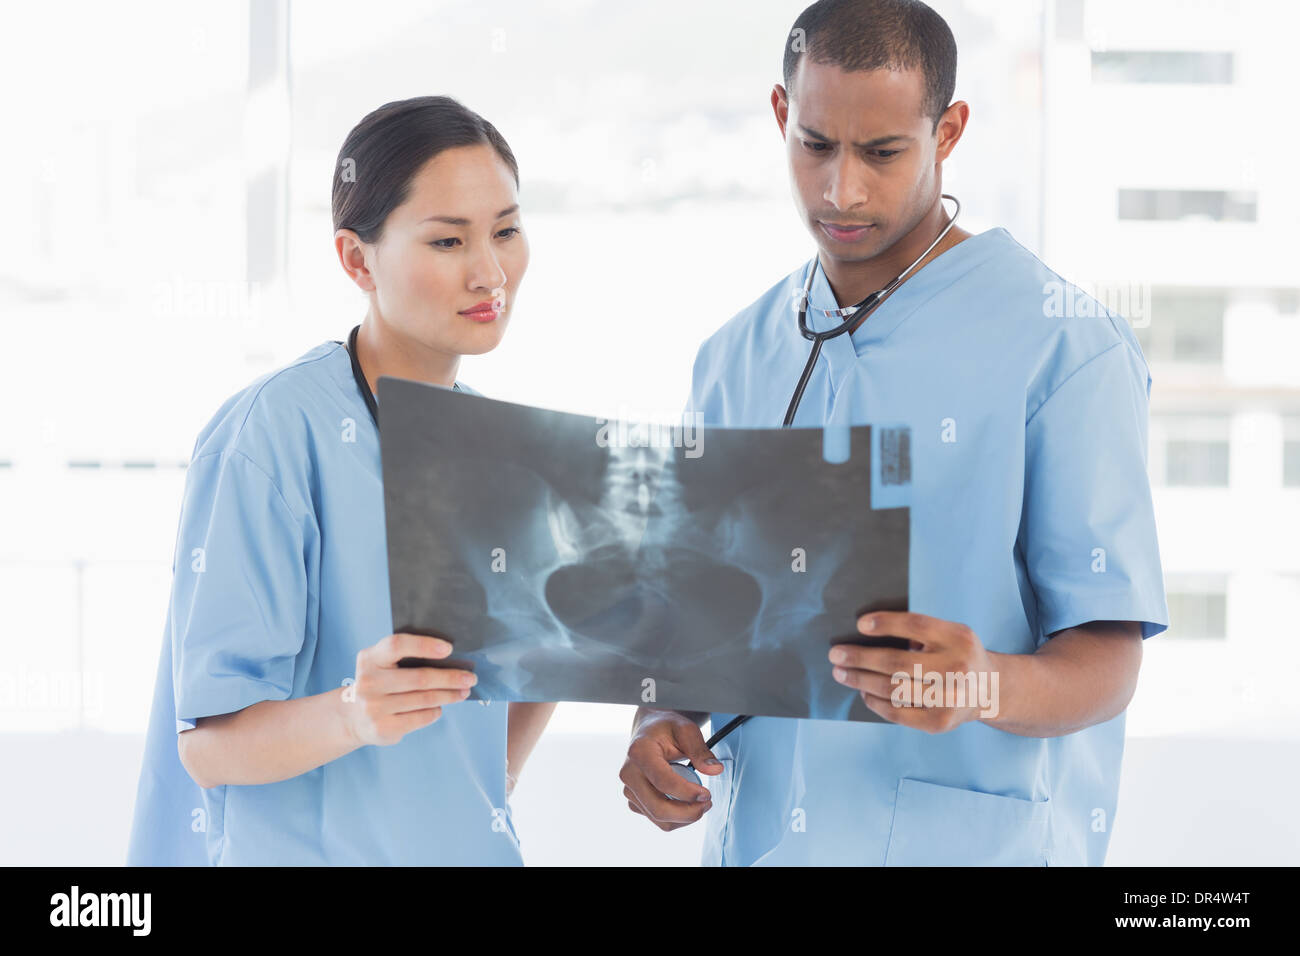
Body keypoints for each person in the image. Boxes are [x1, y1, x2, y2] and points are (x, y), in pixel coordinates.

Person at [620, 0, 1169, 866]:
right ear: (779, 114)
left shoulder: (1064, 348)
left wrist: (983, 681)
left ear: (947, 130)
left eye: (882, 152)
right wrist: (660, 718)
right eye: (815, 145)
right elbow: (699, 622)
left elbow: (1109, 656)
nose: (843, 190)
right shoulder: (733, 357)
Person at [127, 95, 554, 865]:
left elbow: (511, 709)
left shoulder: (510, 452)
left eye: (506, 230)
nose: (490, 272)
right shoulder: (270, 435)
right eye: (448, 240)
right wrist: (356, 713)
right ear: (358, 259)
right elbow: (210, 746)